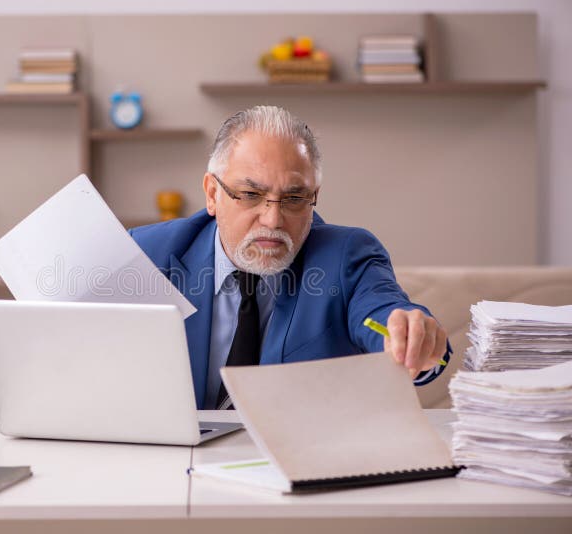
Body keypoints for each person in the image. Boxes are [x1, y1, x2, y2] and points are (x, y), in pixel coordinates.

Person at [130, 106, 450, 410]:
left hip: (304, 447)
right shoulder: (144, 253)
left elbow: (385, 308)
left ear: (313, 197)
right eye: (251, 195)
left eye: (294, 198)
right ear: (212, 194)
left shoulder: (347, 255)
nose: (273, 220)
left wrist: (413, 337)